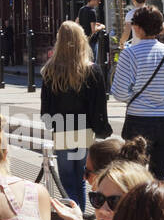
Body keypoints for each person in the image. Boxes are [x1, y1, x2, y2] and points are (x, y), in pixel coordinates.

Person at [40, 20, 112, 208]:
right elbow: (99, 104)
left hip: (62, 127)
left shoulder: (51, 70)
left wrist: (49, 123)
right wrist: (102, 126)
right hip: (85, 128)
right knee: (81, 176)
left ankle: (73, 214)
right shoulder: (92, 69)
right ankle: (79, 211)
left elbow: (45, 106)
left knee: (66, 179)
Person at [111, 3, 164, 179]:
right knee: (158, 176)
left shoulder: (130, 54)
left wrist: (136, 97)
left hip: (139, 120)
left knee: (133, 174)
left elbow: (120, 92)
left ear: (137, 28)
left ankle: (136, 205)